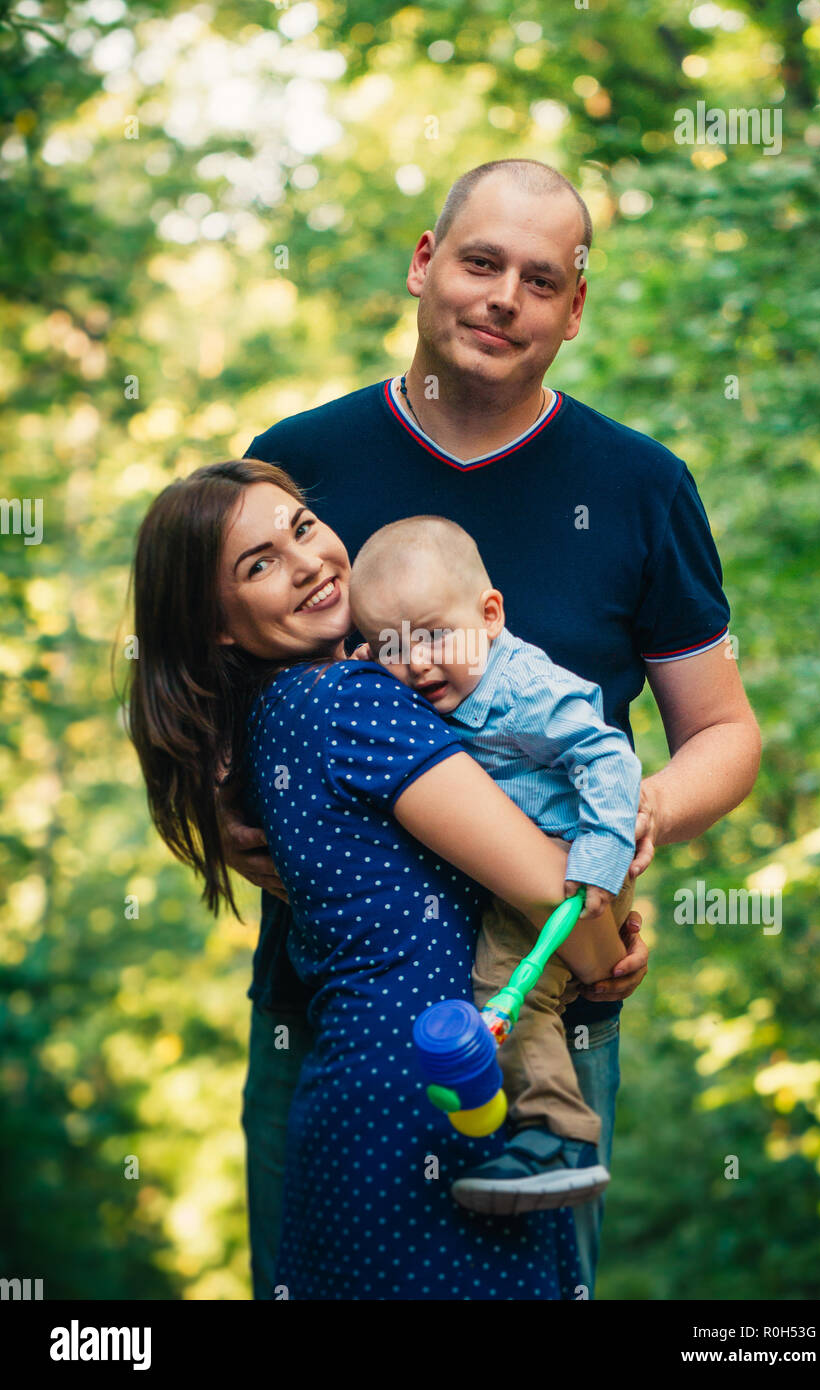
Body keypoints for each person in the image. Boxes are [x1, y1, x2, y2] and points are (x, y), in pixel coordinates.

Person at [223, 157, 762, 1299]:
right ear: (424, 263)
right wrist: (224, 818)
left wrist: (622, 827)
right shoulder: (300, 469)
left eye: (539, 278)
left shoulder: (637, 484)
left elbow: (722, 733)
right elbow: (212, 698)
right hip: (326, 1013)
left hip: (549, 999)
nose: (500, 297)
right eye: (478, 262)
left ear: (572, 309)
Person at [127, 458, 587, 1299]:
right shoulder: (354, 699)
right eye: (258, 564)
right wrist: (604, 937)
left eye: (301, 528)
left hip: (367, 1093)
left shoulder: (274, 715)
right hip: (439, 1089)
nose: (304, 562)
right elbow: (555, 892)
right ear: (219, 625)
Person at [348, 514, 642, 1213]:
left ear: (489, 613)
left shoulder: (525, 690)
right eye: (392, 646)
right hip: (535, 881)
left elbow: (608, 758)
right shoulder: (431, 681)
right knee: (520, 996)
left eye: (433, 635)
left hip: (572, 875)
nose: (416, 662)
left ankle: (560, 1137)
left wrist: (600, 861)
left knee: (505, 990)